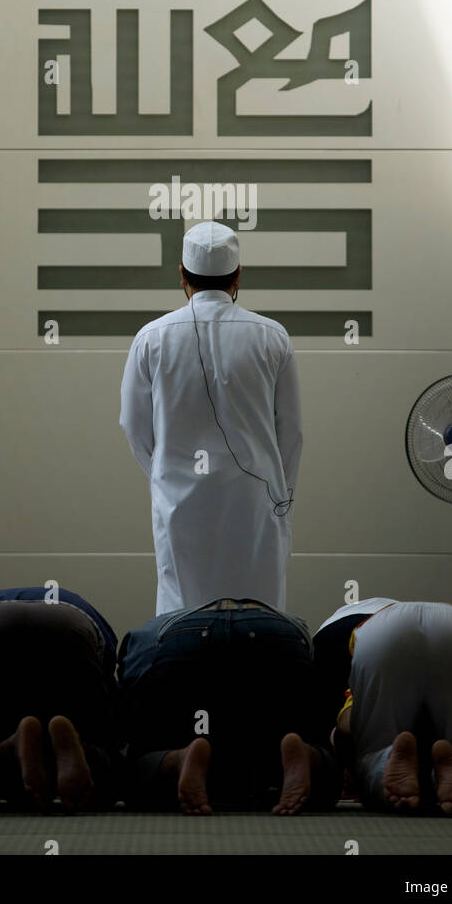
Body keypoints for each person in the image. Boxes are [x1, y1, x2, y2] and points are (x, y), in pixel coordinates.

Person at [119, 220, 302, 615]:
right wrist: (277, 494)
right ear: (238, 276)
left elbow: (135, 429)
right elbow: (290, 432)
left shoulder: (151, 338)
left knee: (183, 629)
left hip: (180, 507)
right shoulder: (273, 337)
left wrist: (169, 475)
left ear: (182, 275)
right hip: (257, 508)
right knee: (259, 626)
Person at [117, 597, 340, 815]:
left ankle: (175, 759)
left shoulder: (156, 626)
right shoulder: (287, 620)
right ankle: (308, 755)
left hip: (184, 639)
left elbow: (134, 681)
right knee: (314, 762)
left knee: (135, 769)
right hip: (278, 638)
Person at [0, 587, 123, 812]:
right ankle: (84, 750)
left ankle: (9, 748)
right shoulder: (78, 604)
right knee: (109, 756)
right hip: (70, 625)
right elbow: (108, 685)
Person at [328, 600, 452, 814]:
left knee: (373, 750)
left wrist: (347, 742)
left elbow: (347, 726)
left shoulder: (336, 631)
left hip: (379, 631)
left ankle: (385, 758)